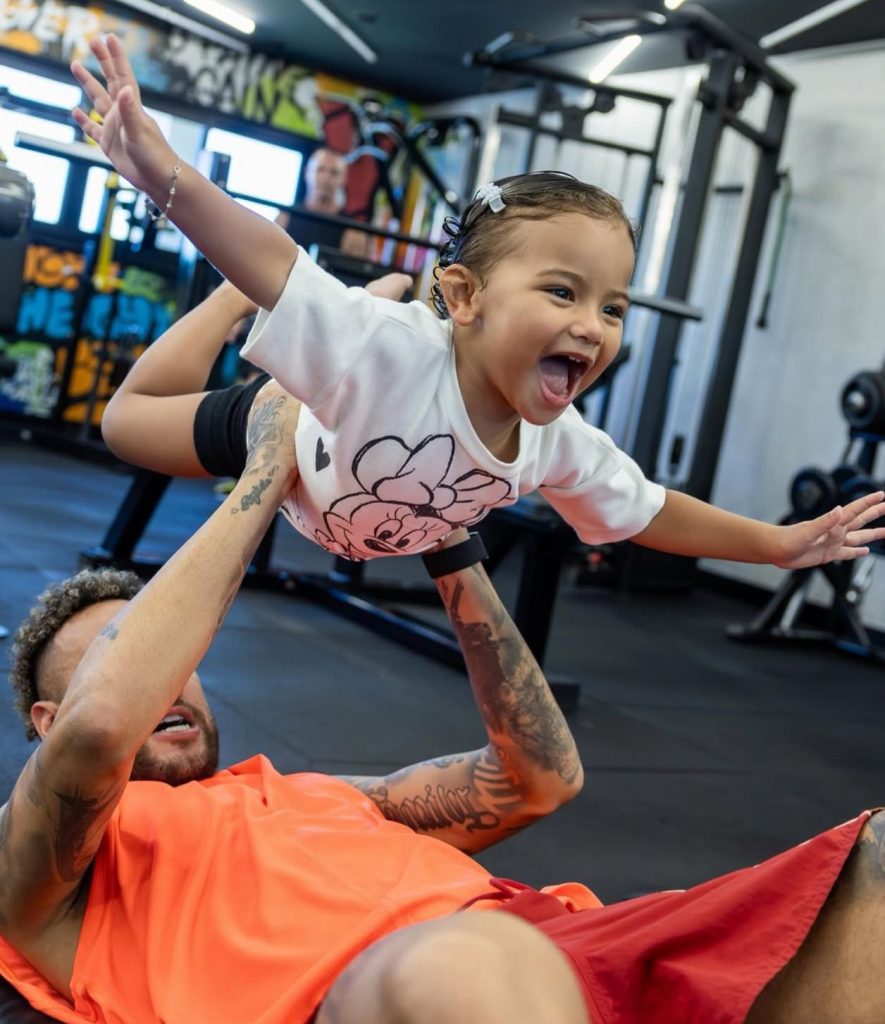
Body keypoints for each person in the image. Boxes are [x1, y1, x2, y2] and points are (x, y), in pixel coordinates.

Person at [3, 382, 885, 1024]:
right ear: (42, 725)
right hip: (383, 992)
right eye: (124, 656)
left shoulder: (315, 797)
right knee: (465, 965)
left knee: (871, 862)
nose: (167, 680)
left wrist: (447, 535)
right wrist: (267, 470)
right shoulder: (46, 869)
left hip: (563, 955)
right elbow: (101, 727)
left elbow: (537, 779)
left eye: (170, 658)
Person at [71, 35, 885, 573]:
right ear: (461, 297)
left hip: (361, 508)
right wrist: (164, 179)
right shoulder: (379, 349)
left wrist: (777, 545)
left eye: (611, 308)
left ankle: (289, 311)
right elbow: (273, 258)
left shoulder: (555, 442)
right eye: (562, 291)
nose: (590, 325)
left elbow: (647, 511)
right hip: (285, 428)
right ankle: (229, 309)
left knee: (307, 307)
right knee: (124, 424)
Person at [279, 145, 372, 258]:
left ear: (344, 178)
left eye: (334, 172)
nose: (326, 177)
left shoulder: (353, 232)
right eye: (320, 169)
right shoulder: (285, 217)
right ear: (307, 172)